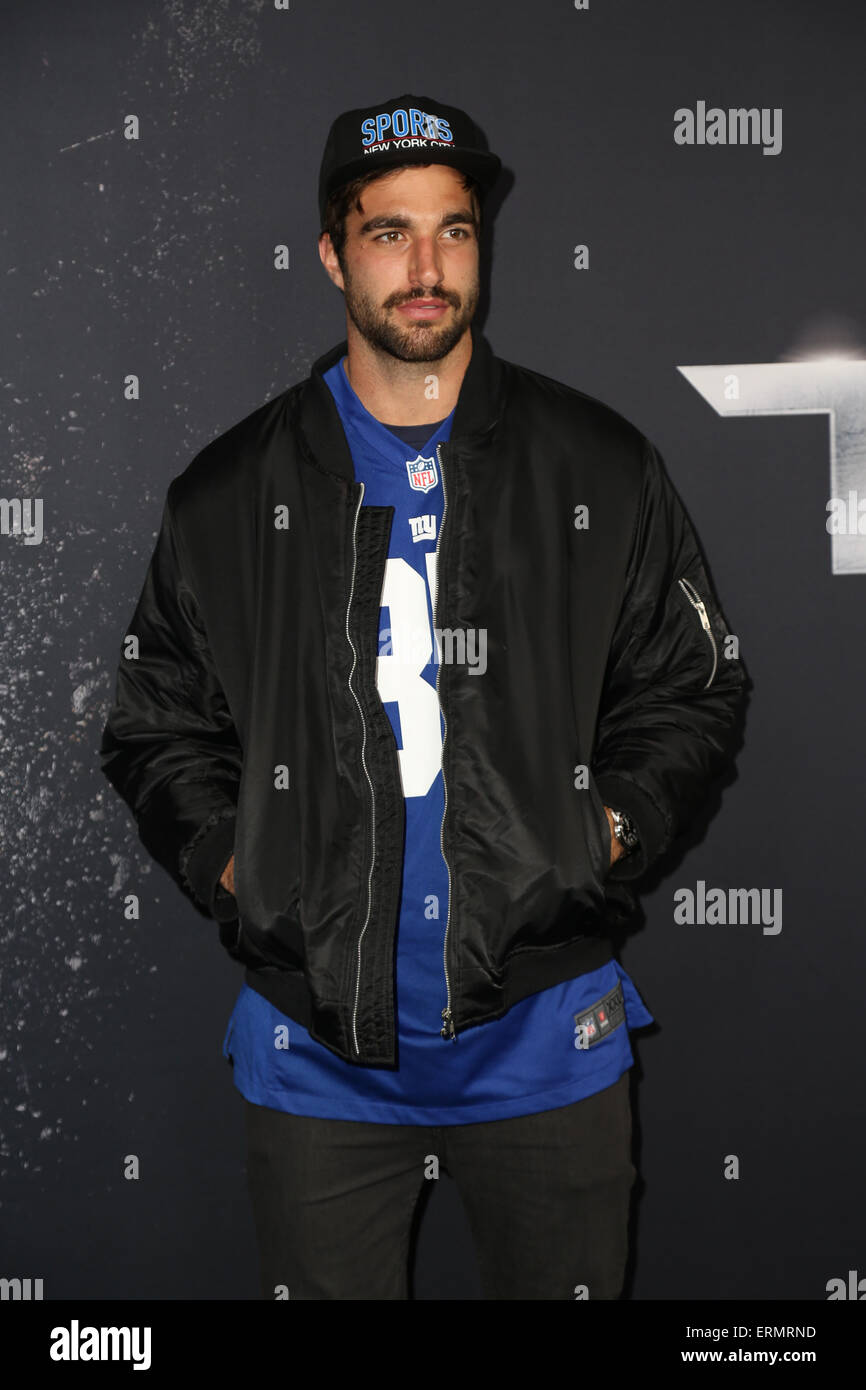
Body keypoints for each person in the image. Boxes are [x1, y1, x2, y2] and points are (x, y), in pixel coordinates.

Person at [100, 93, 747, 1300]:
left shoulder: (595, 462)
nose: (426, 267)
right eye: (388, 232)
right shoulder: (230, 491)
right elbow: (157, 720)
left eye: (452, 231)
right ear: (332, 254)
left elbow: (689, 685)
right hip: (314, 1066)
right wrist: (236, 866)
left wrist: (604, 829)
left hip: (547, 1049)